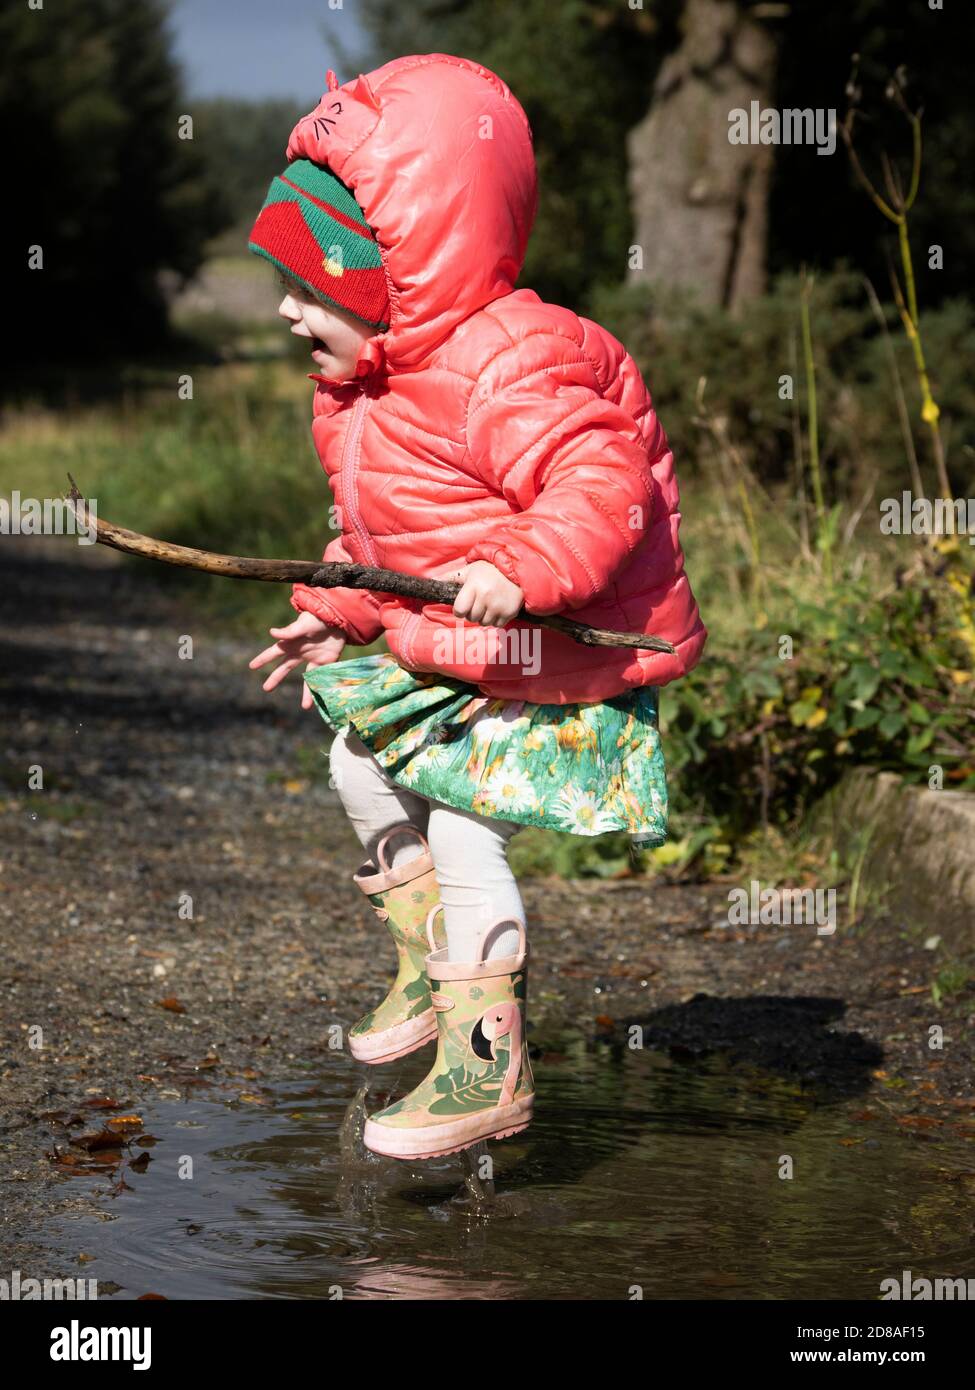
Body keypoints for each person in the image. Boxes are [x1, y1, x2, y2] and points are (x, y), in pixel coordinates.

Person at [248, 54, 706, 1161]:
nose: (285, 309)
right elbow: (379, 545)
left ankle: (484, 1060)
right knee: (355, 761)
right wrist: (331, 608)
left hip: (552, 654)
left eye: (313, 288)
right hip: (457, 647)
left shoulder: (510, 358)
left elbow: (607, 486)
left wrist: (525, 561)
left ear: (390, 279)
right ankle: (430, 953)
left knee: (458, 823)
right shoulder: (362, 397)